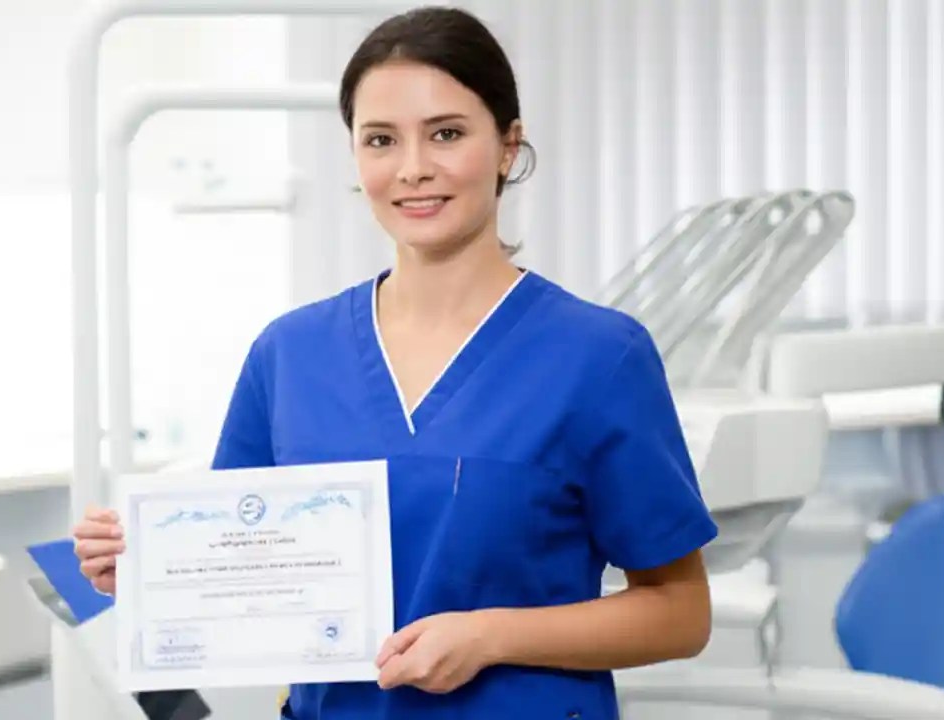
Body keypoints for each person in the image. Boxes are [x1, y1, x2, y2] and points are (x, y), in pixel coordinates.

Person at [74, 6, 717, 719]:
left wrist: (490, 637)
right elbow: (245, 588)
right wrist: (146, 572)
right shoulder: (288, 356)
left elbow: (680, 611)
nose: (413, 169)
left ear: (508, 146)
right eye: (381, 140)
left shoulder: (599, 358)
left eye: (446, 133)